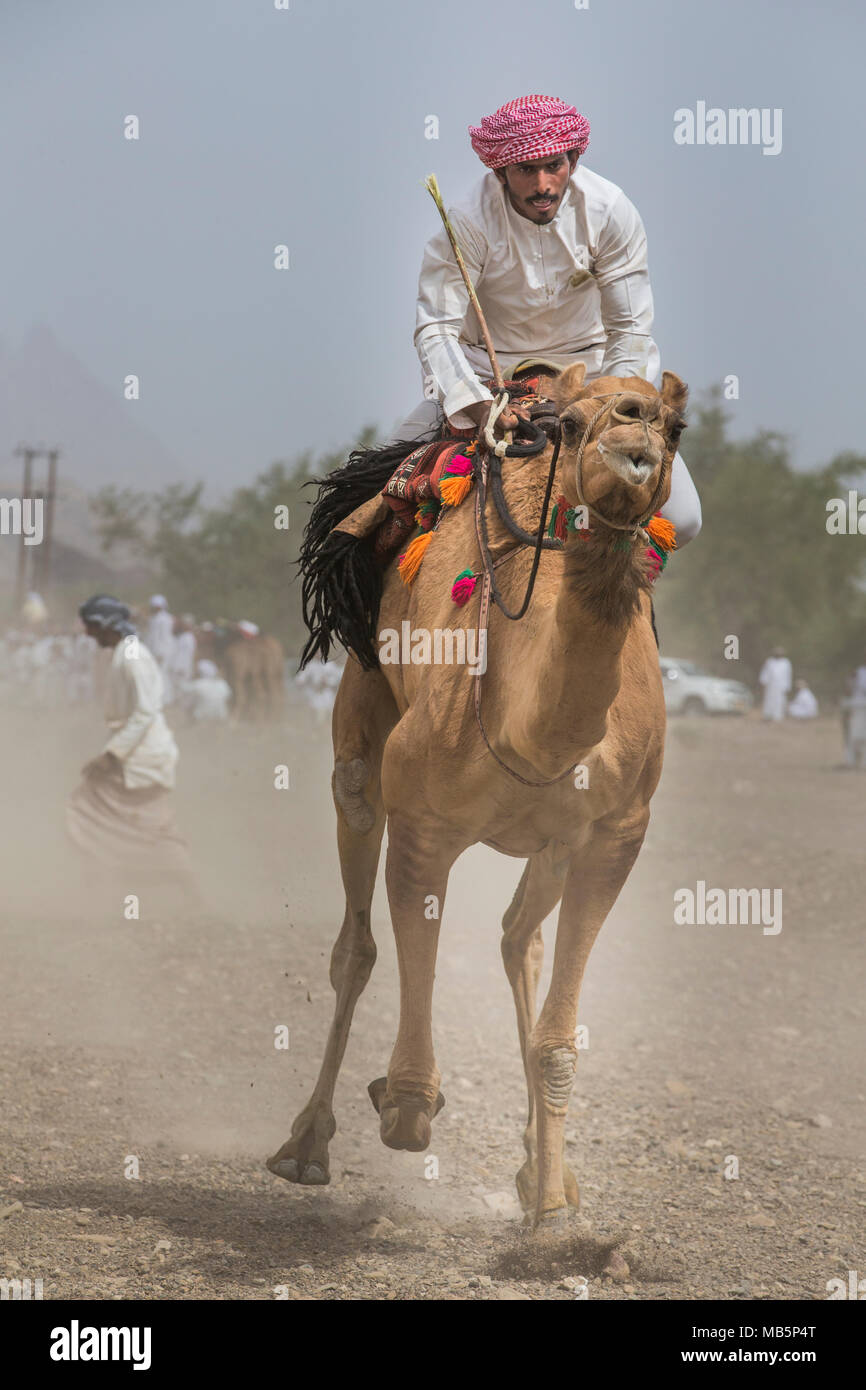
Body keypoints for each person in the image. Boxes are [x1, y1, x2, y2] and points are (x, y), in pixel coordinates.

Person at [395, 93, 701, 545]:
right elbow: (436, 327)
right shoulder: (467, 221)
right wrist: (478, 407)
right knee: (374, 499)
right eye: (525, 170)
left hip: (591, 375)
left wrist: (609, 408)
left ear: (573, 160)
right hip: (486, 376)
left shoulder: (610, 211)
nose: (542, 184)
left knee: (685, 520)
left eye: (553, 165)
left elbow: (631, 329)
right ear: (500, 172)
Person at [66, 595, 197, 905]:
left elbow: (145, 712)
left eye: (92, 626)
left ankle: (107, 882)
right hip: (140, 752)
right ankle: (112, 882)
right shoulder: (125, 653)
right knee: (147, 823)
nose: (88, 634)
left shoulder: (132, 656)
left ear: (108, 626)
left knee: (87, 808)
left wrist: (111, 756)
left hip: (143, 756)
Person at [146, 594, 176, 703]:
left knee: (162, 676)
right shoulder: (154, 619)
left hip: (161, 653)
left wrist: (160, 653)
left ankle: (165, 700)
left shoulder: (164, 619)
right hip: (154, 652)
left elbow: (163, 638)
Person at [759, 646, 792, 721]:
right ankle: (767, 715)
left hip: (781, 686)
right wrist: (763, 682)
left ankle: (777, 717)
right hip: (770, 686)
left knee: (780, 701)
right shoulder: (769, 661)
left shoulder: (786, 663)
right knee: (769, 700)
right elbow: (765, 673)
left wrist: (787, 686)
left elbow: (788, 675)